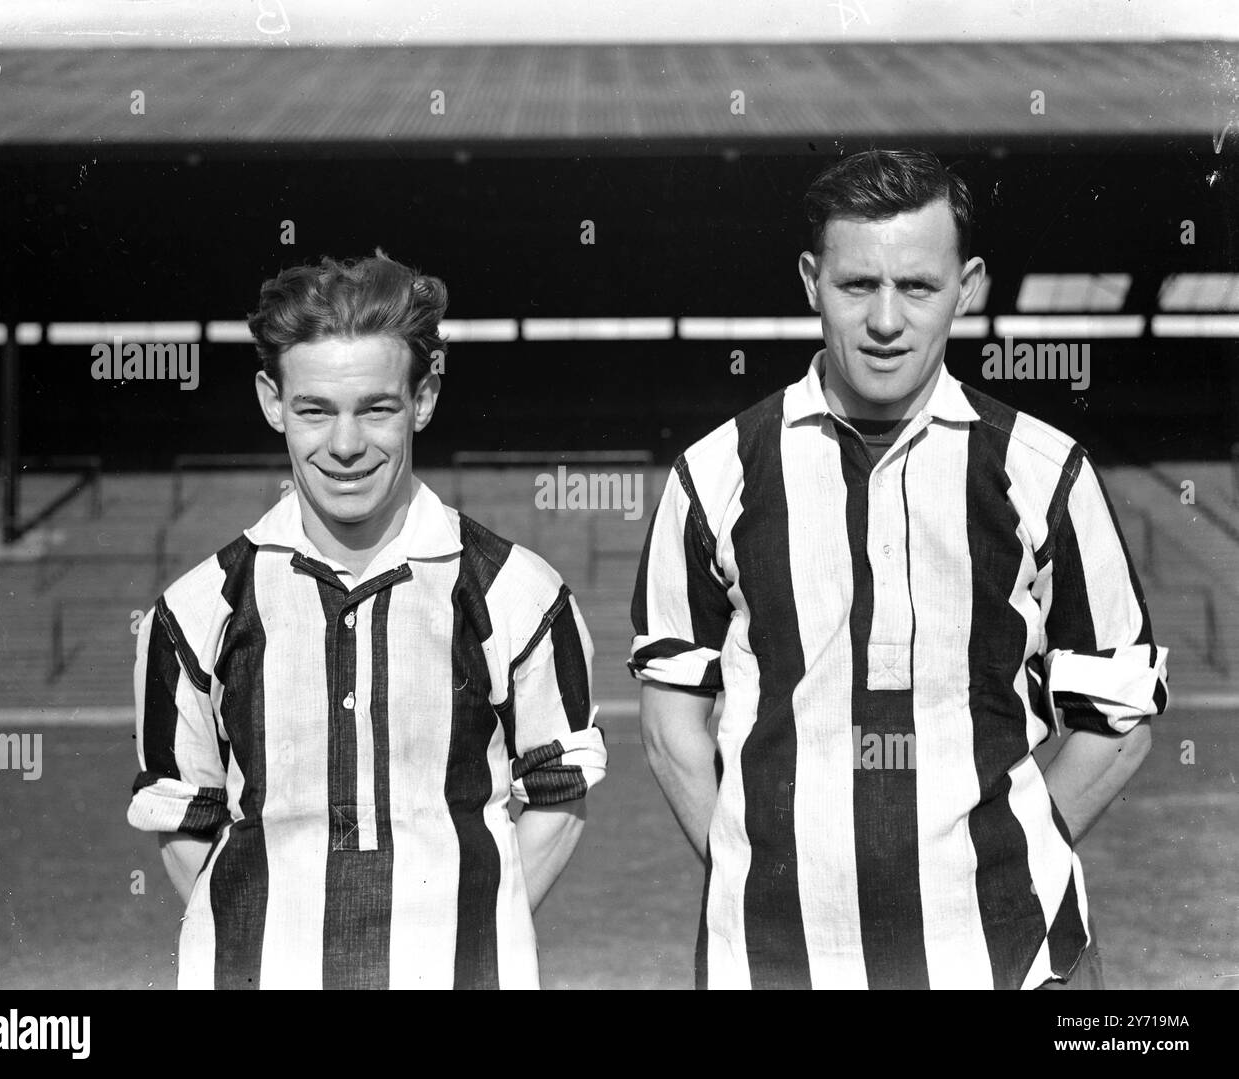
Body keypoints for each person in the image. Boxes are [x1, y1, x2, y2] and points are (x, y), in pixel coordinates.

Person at [629, 149, 1168, 990]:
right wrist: (765, 871)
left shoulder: (1042, 468)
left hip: (1011, 960)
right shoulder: (717, 472)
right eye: (857, 286)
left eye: (917, 286)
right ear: (812, 281)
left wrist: (1005, 856)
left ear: (969, 284)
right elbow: (670, 728)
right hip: (773, 961)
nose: (887, 320)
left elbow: (1119, 714)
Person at [127, 252, 607, 989]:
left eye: (376, 408)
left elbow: (559, 791)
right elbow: (182, 820)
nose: (345, 445)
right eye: (315, 409)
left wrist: (468, 929)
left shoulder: (518, 593)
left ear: (423, 398)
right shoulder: (195, 612)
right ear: (271, 400)